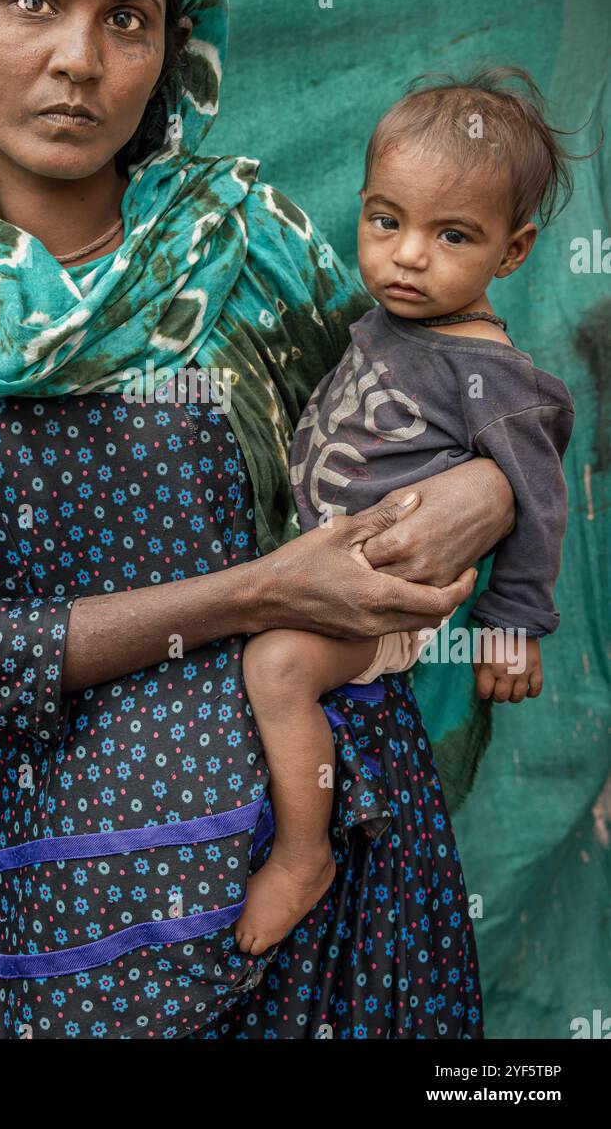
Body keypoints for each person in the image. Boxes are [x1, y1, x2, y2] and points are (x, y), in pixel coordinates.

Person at [0, 0, 514, 1039]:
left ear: (172, 49)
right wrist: (255, 593)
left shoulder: (243, 244)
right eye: (31, 0)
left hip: (348, 864)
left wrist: (492, 492)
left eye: (126, 18)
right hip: (89, 903)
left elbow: (449, 409)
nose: (77, 59)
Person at [235, 67, 576, 956]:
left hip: (379, 598)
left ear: (512, 251)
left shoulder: (495, 377)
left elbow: (535, 502)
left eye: (451, 235)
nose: (407, 255)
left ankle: (303, 859)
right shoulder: (391, 318)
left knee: (275, 671)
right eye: (385, 220)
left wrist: (511, 623)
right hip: (313, 567)